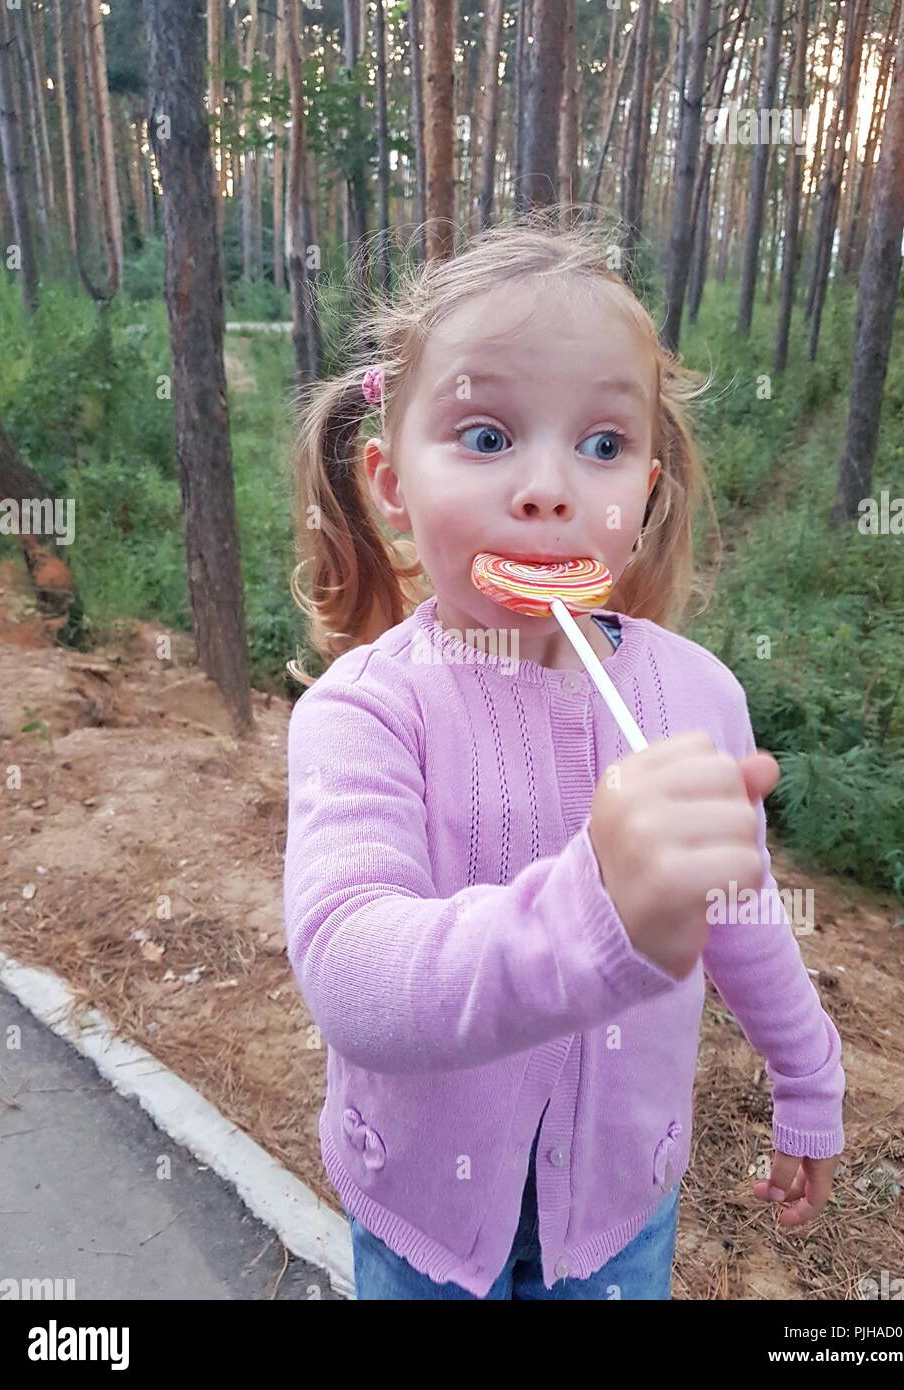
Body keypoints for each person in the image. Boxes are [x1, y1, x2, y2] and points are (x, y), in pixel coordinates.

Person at [282, 212, 845, 1300]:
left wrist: (808, 1073)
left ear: (643, 491)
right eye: (487, 437)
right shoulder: (363, 710)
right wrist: (598, 914)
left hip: (619, 1213)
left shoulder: (697, 696)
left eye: (602, 445)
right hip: (427, 1225)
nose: (550, 488)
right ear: (391, 480)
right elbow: (352, 971)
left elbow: (741, 910)